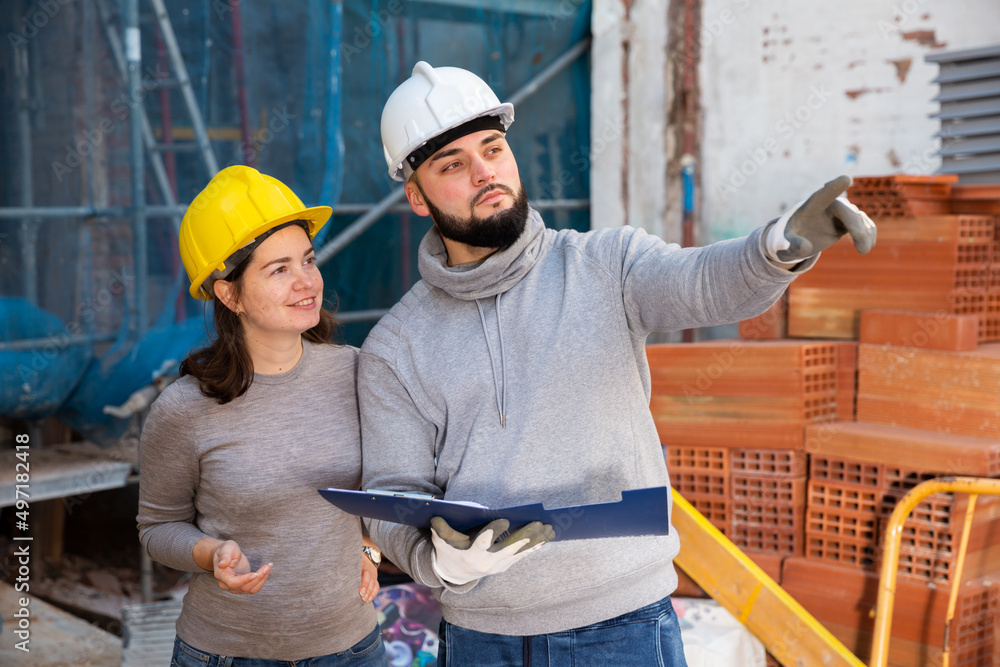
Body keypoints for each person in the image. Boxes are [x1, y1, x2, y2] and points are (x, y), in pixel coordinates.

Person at [358, 62, 876, 666]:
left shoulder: (605, 265)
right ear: (416, 196)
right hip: (481, 641)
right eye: (452, 165)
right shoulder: (396, 346)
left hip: (622, 631)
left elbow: (704, 284)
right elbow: (392, 493)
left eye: (493, 149)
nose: (484, 173)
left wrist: (775, 247)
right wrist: (433, 559)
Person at [137, 165, 389, 666]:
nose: (307, 282)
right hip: (226, 654)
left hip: (352, 649)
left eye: (308, 260)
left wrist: (369, 546)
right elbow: (156, 529)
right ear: (229, 294)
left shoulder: (359, 374)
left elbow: (387, 488)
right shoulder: (185, 409)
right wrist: (211, 554)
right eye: (279, 269)